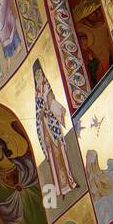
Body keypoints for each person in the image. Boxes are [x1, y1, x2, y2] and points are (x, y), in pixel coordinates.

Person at [33, 61, 78, 195]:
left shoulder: (46, 87)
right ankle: (59, 188)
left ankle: (70, 181)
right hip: (45, 130)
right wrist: (42, 114)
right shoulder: (37, 94)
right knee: (53, 157)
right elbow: (38, 114)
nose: (38, 76)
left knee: (61, 152)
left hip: (53, 126)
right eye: (36, 75)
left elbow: (51, 103)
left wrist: (47, 108)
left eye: (39, 73)